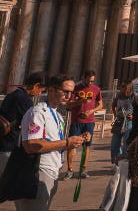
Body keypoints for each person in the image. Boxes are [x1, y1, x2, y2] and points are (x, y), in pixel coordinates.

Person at [14, 75, 88, 211]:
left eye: (72, 92)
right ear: (52, 90)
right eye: (65, 91)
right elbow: (30, 145)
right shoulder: (37, 113)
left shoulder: (58, 116)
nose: (69, 95)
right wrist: (66, 142)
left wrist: (77, 140)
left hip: (52, 173)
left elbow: (55, 143)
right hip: (37, 172)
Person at [0, 72, 45, 176]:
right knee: (6, 180)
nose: (39, 93)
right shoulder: (25, 100)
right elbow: (31, 125)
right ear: (36, 85)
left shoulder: (11, 95)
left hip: (3, 140)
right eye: (41, 90)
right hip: (9, 145)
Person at [65, 69, 102, 179]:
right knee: (72, 145)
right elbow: (68, 106)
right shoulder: (75, 89)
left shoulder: (96, 89)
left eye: (92, 81)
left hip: (89, 121)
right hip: (76, 121)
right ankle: (70, 169)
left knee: (87, 146)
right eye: (89, 81)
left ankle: (83, 169)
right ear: (83, 78)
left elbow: (100, 104)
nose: (90, 83)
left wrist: (91, 111)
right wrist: (80, 101)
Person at [109, 81, 135, 164]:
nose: (121, 88)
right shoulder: (119, 96)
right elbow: (113, 105)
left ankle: (124, 162)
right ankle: (114, 161)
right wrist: (115, 114)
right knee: (115, 143)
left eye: (124, 87)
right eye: (121, 86)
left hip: (129, 121)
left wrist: (133, 116)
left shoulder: (133, 97)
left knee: (126, 143)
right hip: (119, 120)